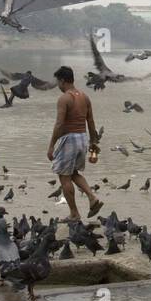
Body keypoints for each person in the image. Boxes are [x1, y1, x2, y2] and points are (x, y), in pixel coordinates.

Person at [47, 66, 102, 222]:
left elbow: (59, 124)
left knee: (64, 177)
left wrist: (51, 145)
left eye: (58, 81)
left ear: (62, 80)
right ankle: (92, 197)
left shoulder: (65, 98)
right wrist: (93, 143)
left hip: (69, 139)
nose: (58, 85)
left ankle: (74, 213)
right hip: (82, 138)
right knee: (74, 173)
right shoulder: (84, 97)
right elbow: (91, 121)